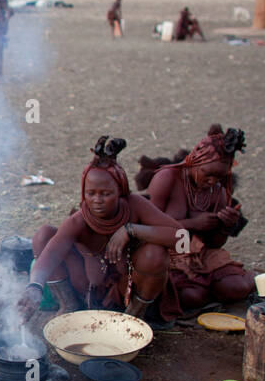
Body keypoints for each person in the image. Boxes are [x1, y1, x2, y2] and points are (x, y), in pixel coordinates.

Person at [18, 137, 182, 324]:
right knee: (44, 234)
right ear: (83, 193)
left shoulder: (135, 205)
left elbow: (182, 237)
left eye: (106, 194)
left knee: (155, 253)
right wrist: (34, 287)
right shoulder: (79, 220)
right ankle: (69, 306)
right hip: (88, 286)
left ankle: (134, 316)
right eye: (91, 193)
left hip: (128, 286)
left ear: (120, 192)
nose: (97, 200)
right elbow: (51, 253)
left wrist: (131, 230)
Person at [138, 125, 252, 316]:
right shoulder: (168, 177)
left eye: (219, 177)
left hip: (200, 253)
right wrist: (193, 224)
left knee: (236, 287)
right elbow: (147, 227)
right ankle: (202, 293)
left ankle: (239, 283)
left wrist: (224, 227)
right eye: (208, 174)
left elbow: (214, 243)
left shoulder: (218, 191)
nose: (212, 181)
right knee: (192, 296)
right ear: (194, 161)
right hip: (164, 251)